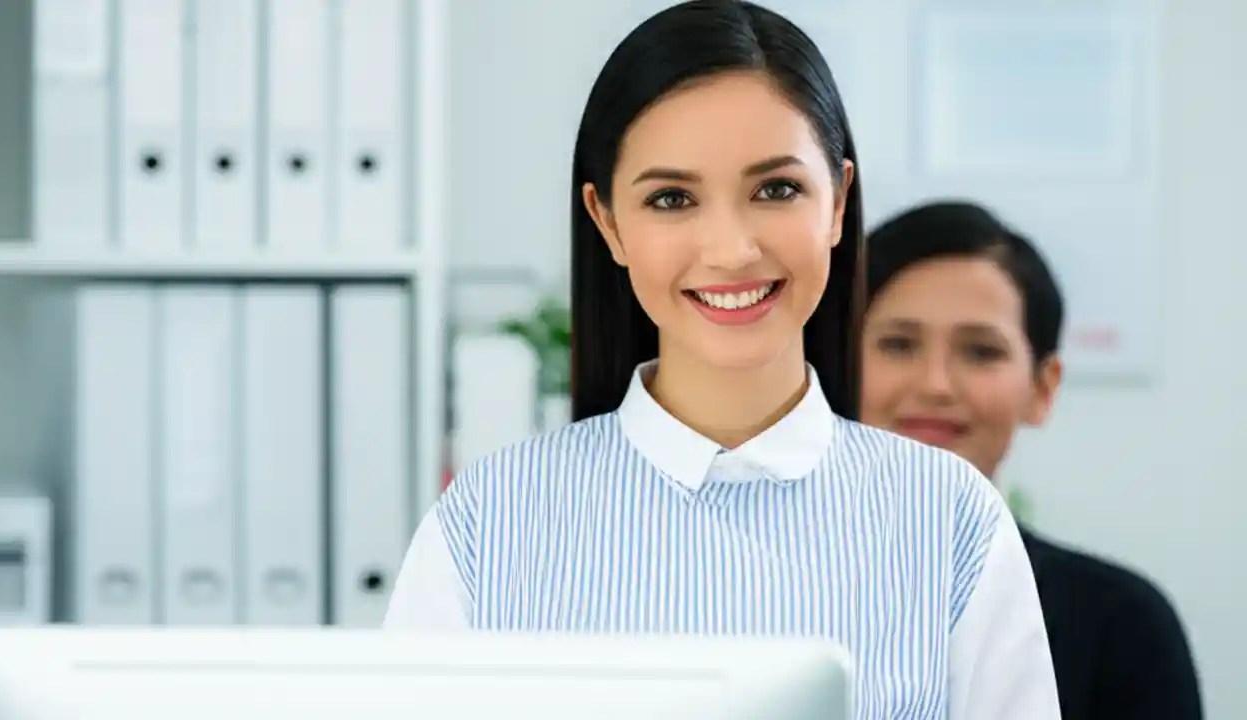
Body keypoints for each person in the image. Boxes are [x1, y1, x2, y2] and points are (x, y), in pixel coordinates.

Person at [386, 2, 1060, 717]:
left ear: (837, 204)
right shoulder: (489, 523)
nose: (732, 250)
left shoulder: (951, 521)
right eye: (672, 198)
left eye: (776, 189)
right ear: (608, 223)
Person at [860, 200, 1203, 720]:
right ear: (836, 366)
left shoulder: (1121, 623)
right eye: (898, 344)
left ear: (1042, 387)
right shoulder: (759, 585)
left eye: (980, 352)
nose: (934, 384)